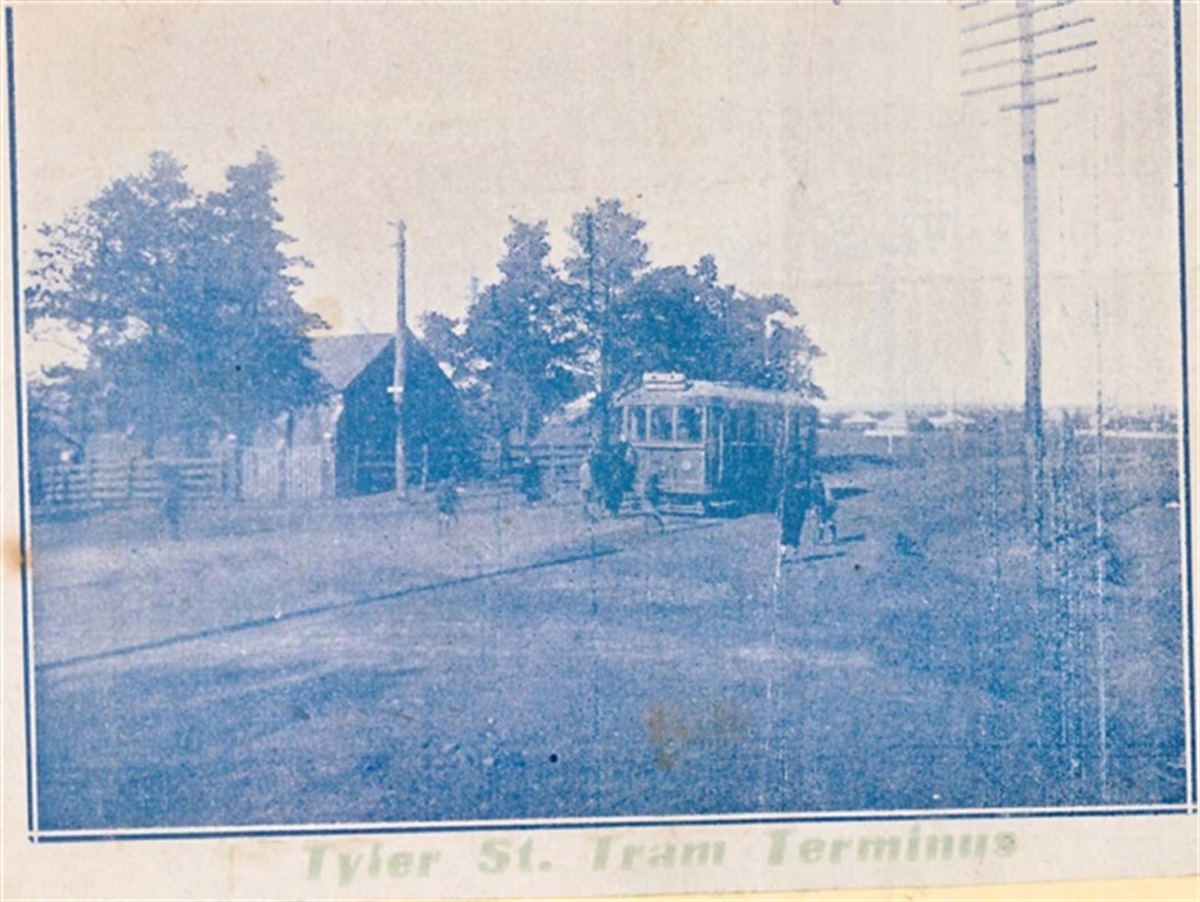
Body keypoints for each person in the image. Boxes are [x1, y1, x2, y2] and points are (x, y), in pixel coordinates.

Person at [777, 457, 811, 562]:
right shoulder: (796, 490)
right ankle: (788, 554)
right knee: (791, 533)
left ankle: (787, 554)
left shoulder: (789, 489)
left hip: (793, 513)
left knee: (789, 534)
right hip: (794, 514)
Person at [813, 474, 838, 544]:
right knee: (829, 520)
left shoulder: (816, 487)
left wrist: (816, 506)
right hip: (830, 505)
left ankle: (820, 539)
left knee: (821, 522)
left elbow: (819, 498)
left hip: (823, 505)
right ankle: (833, 537)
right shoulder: (825, 485)